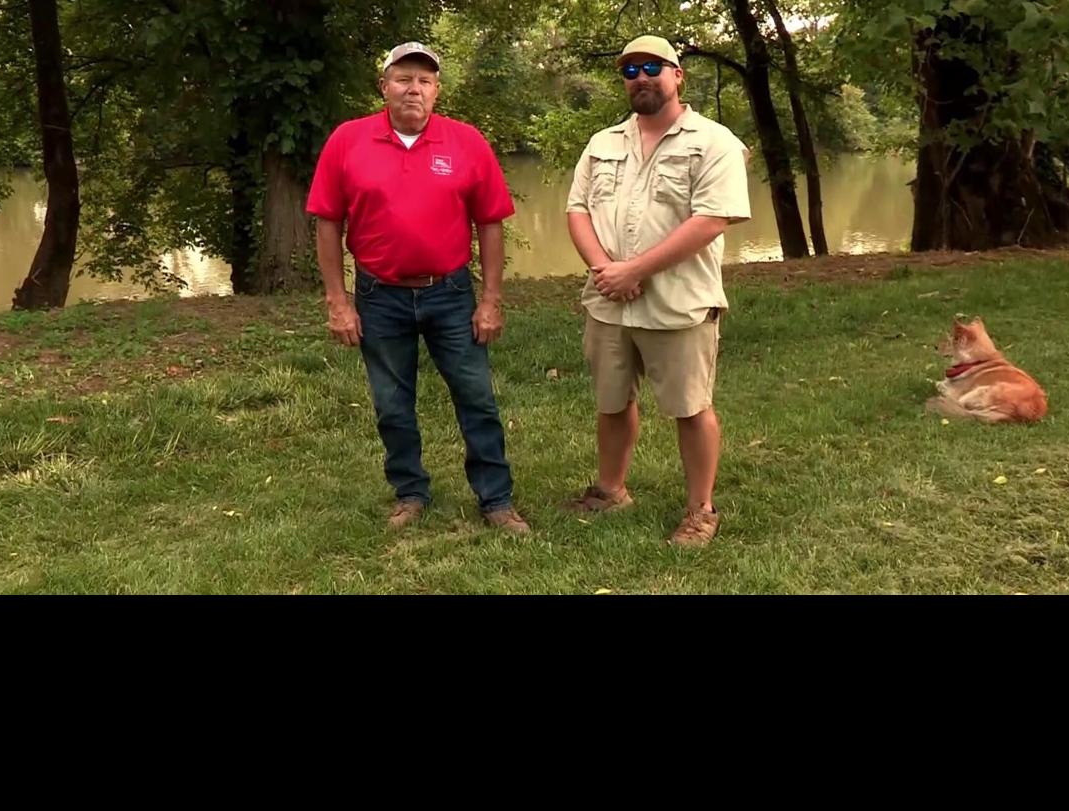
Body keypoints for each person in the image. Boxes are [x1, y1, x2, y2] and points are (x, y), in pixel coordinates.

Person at [306, 41, 529, 535]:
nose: (414, 88)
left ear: (437, 91)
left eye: (425, 81)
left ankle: (496, 499)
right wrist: (337, 301)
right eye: (404, 78)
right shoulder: (348, 140)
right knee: (391, 402)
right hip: (378, 296)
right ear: (384, 86)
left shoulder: (466, 142)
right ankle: (410, 492)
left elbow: (490, 222)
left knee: (476, 397)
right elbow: (327, 221)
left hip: (450, 294)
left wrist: (491, 299)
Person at [564, 35, 751, 546]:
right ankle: (610, 489)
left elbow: (712, 220)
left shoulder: (714, 142)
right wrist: (606, 268)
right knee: (611, 400)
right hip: (608, 301)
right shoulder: (602, 143)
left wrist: (636, 269)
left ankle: (700, 510)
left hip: (679, 303)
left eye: (652, 67)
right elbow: (577, 210)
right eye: (630, 70)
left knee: (691, 407)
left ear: (677, 74)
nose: (641, 77)